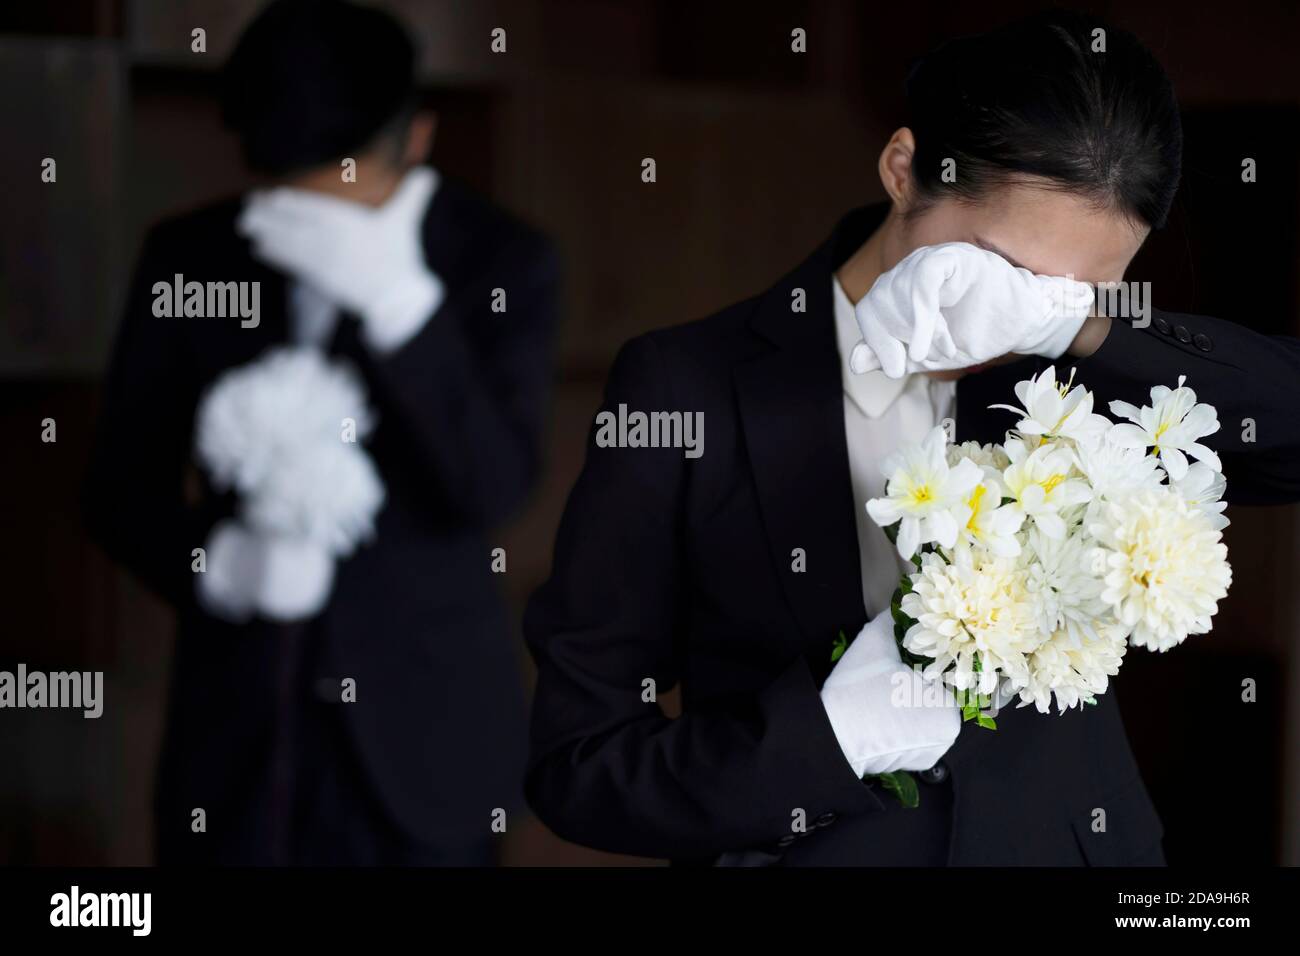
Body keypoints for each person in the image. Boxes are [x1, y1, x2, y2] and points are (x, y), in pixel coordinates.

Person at [523, 10, 1300, 865]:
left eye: (1076, 292)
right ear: (902, 171)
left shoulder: (1085, 367)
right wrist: (829, 738)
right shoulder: (683, 388)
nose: (1017, 312)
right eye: (1002, 267)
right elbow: (579, 768)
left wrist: (1077, 330)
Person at [85, 0, 559, 865]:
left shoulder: (501, 261)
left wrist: (401, 311)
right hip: (239, 747)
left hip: (429, 744)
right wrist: (218, 566)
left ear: (415, 138)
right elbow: (119, 485)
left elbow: (494, 487)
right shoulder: (189, 258)